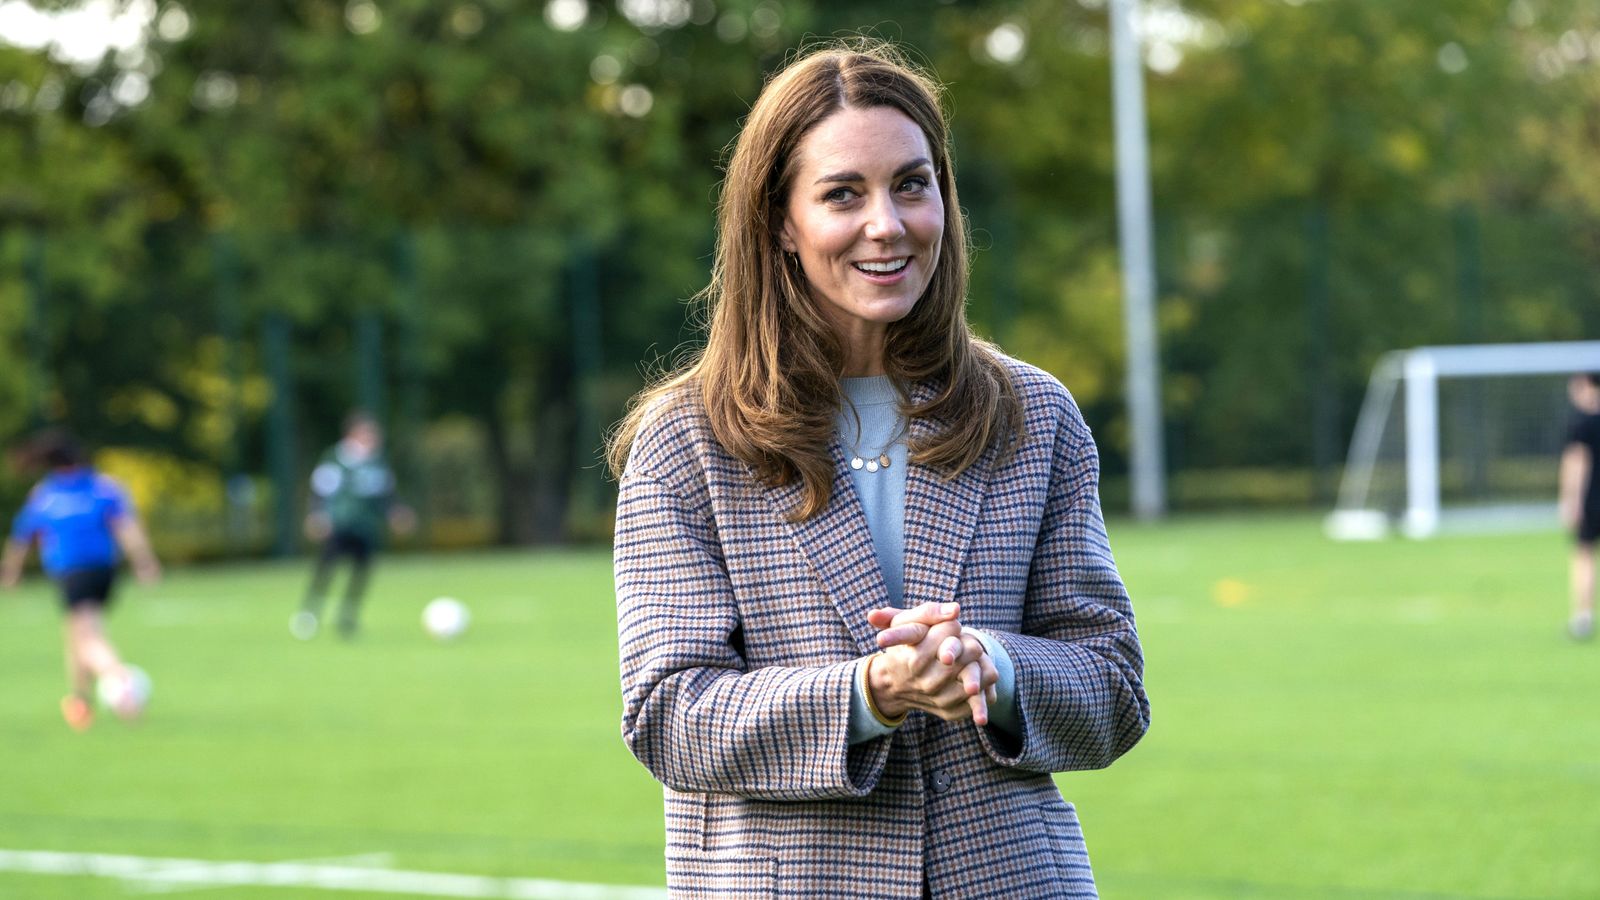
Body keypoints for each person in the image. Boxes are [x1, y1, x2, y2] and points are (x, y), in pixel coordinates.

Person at [608, 42, 1149, 897]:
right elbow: (670, 716)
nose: (887, 223)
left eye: (911, 183)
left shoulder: (1032, 415)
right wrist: (871, 689)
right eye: (841, 194)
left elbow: (1114, 690)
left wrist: (991, 669)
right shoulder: (688, 440)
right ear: (780, 221)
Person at [1, 429, 161, 731]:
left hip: (73, 573)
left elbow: (21, 537)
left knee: (87, 639)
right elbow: (127, 526)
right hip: (104, 571)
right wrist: (144, 561)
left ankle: (121, 683)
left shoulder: (45, 494)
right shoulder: (103, 486)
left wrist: (11, 570)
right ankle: (81, 702)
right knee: (76, 634)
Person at [291, 411, 411, 641]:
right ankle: (309, 614)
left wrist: (395, 513)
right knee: (326, 569)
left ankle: (347, 616)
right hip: (339, 524)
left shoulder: (376, 463)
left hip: (364, 526)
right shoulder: (336, 459)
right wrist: (317, 515)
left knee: (361, 572)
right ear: (353, 434)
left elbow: (384, 496)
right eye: (369, 434)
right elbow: (321, 489)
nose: (374, 439)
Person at [1560, 373, 1600, 640]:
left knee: (1584, 555)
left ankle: (1582, 617)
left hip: (1592, 500)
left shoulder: (1582, 424)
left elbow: (1576, 463)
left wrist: (1570, 501)